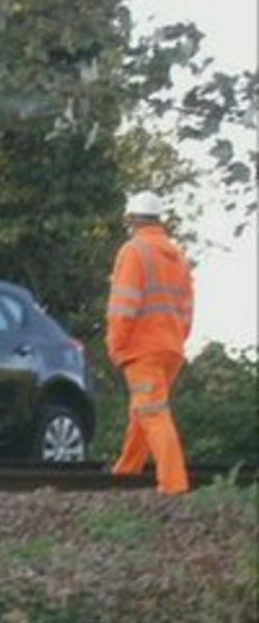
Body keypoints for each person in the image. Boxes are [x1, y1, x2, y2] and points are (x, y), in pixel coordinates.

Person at [105, 191, 195, 495]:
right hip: (171, 346)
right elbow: (187, 307)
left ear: (131, 218)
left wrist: (116, 344)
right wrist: (176, 338)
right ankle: (126, 472)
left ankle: (174, 484)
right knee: (143, 411)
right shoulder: (177, 255)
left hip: (142, 348)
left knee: (152, 413)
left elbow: (123, 305)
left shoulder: (134, 251)